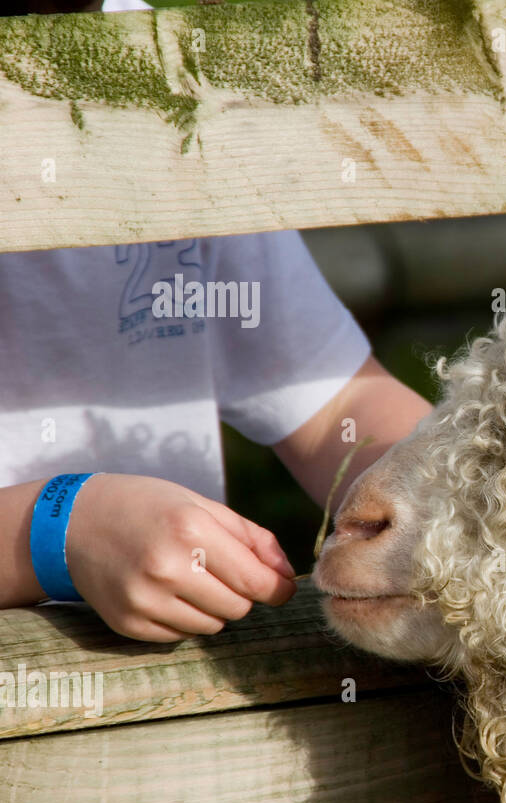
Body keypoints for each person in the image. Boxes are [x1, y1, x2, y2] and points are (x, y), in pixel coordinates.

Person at [0, 1, 432, 641]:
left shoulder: (158, 73)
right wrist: (57, 531)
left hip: (181, 694)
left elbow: (336, 404)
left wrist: (474, 499)